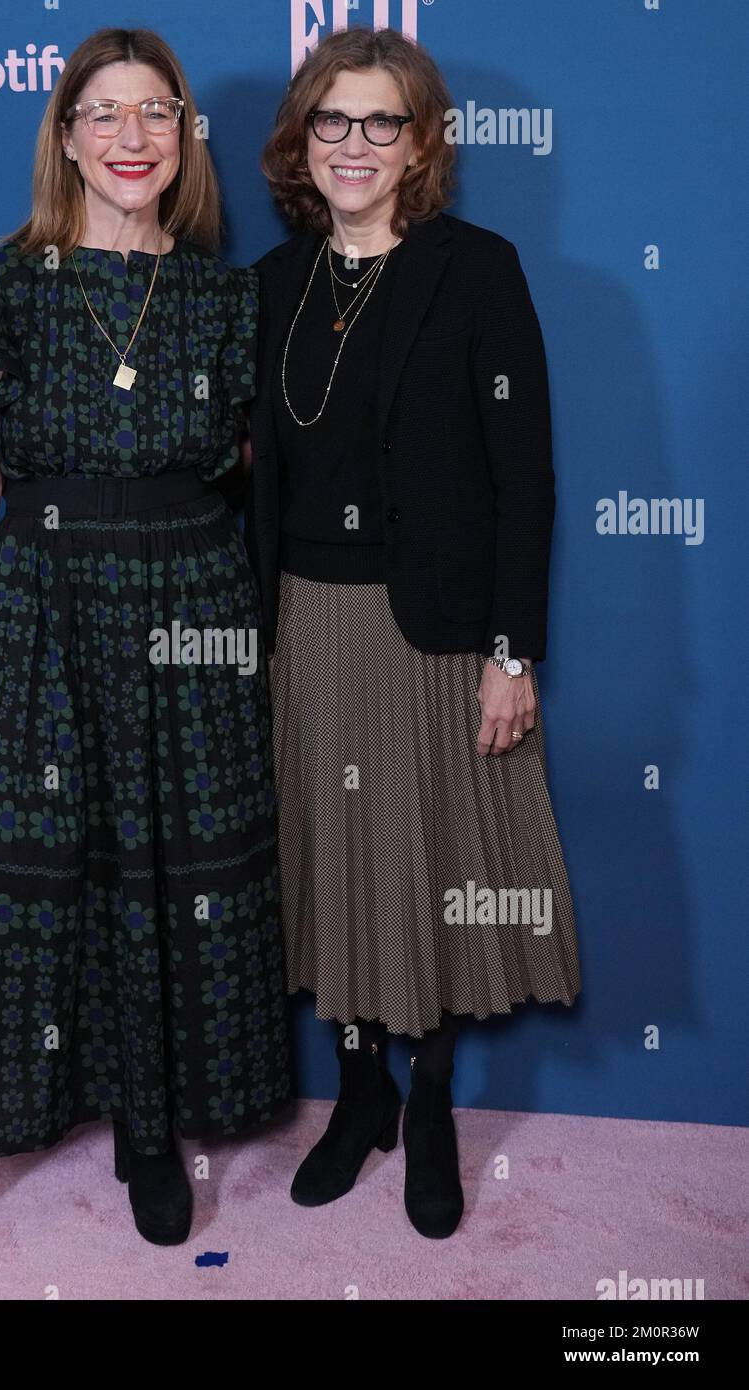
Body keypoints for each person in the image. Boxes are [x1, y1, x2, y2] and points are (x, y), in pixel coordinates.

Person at [0, 26, 292, 1292]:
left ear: (182, 137)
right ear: (64, 136)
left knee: (167, 874)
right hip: (43, 607)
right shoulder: (4, 284)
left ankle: (148, 1127)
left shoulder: (226, 295)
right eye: (101, 114)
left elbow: (260, 475)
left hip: (192, 606)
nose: (130, 138)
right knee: (4, 892)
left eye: (153, 113)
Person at [244, 27, 581, 1239]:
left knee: (434, 876)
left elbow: (523, 478)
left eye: (380, 122)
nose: (353, 144)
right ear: (301, 139)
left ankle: (429, 1096)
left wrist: (509, 650)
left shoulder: (475, 270)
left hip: (431, 633)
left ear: (420, 141)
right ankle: (359, 1092)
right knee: (330, 872)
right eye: (330, 121)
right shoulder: (274, 286)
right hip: (301, 629)